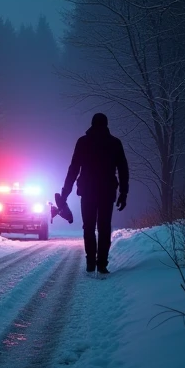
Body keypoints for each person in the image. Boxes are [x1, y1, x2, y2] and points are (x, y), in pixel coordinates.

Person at [61, 113, 129, 274]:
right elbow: (123, 170)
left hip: (88, 191)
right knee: (104, 227)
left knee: (89, 227)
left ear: (91, 124)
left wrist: (65, 193)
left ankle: (91, 262)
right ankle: (102, 264)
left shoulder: (83, 142)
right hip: (107, 191)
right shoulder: (114, 143)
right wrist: (123, 193)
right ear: (106, 124)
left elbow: (73, 169)